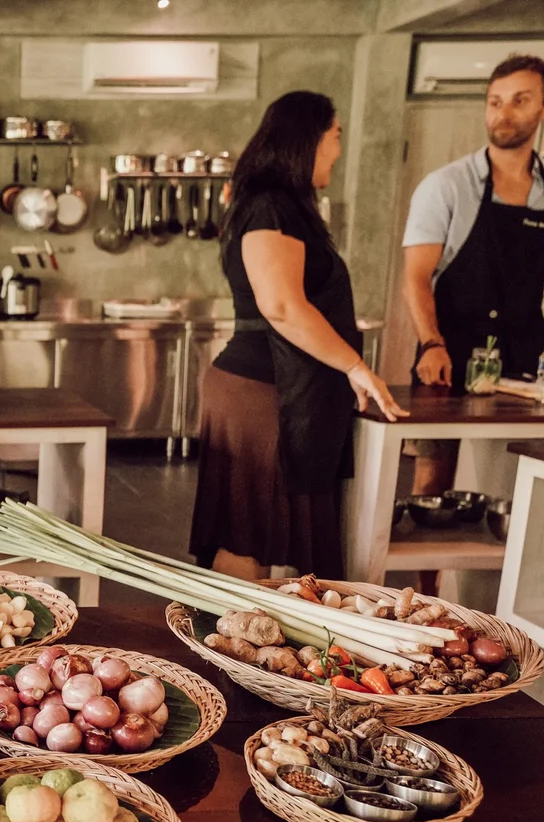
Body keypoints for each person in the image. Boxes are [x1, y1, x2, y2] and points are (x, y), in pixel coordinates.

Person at [190, 91, 407, 582]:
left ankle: (236, 650)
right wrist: (356, 366)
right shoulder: (270, 207)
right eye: (335, 137)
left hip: (272, 391)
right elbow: (283, 307)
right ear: (306, 139)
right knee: (247, 539)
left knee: (254, 537)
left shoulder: (277, 206)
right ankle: (219, 651)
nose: (337, 150)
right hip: (263, 394)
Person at [401, 54, 544, 589]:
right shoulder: (445, 185)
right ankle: (421, 597)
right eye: (495, 101)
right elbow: (417, 277)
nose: (503, 113)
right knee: (434, 474)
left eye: (520, 100)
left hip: (524, 353)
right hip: (449, 350)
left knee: (526, 475)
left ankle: (512, 597)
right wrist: (431, 342)